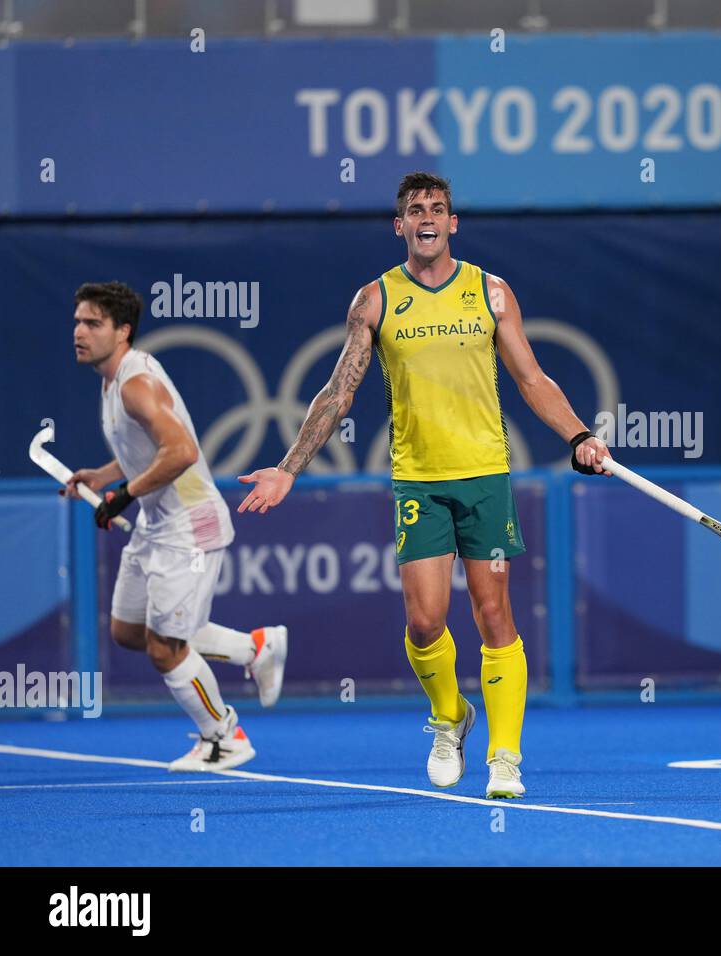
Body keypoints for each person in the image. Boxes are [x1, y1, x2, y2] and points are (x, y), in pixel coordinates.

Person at [237, 172, 611, 798]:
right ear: (400, 225)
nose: (428, 217)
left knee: (495, 615)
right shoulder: (375, 300)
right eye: (416, 210)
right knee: (424, 623)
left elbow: (532, 377)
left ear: (454, 222)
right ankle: (450, 716)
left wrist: (579, 436)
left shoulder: (490, 293)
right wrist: (288, 467)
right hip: (419, 481)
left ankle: (504, 755)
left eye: (438, 208)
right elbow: (339, 391)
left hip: (486, 475)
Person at [66, 281, 288, 771]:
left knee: (165, 648)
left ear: (122, 331)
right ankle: (255, 648)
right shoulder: (111, 380)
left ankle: (224, 736)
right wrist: (102, 476)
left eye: (93, 323)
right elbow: (140, 449)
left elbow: (182, 451)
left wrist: (124, 493)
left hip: (192, 524)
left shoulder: (134, 383)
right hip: (157, 522)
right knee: (130, 631)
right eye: (78, 321)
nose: (79, 331)